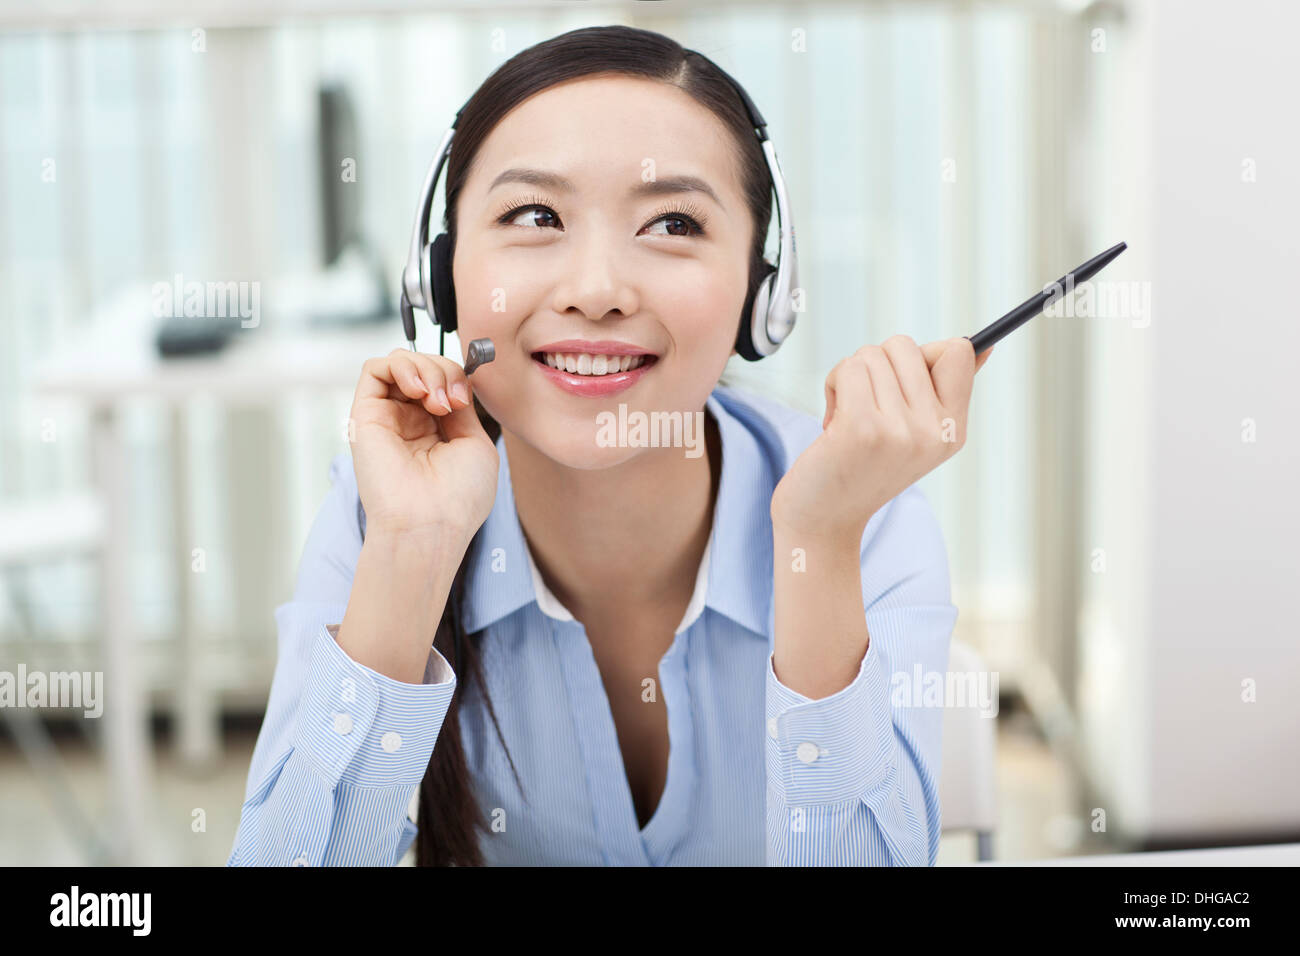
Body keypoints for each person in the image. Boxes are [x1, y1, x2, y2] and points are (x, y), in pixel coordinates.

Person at [228, 24, 991, 867]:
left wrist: (818, 543)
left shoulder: (867, 521)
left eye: (672, 223)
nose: (596, 292)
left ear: (762, 295)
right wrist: (412, 554)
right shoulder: (385, 510)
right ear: (438, 279)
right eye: (535, 215)